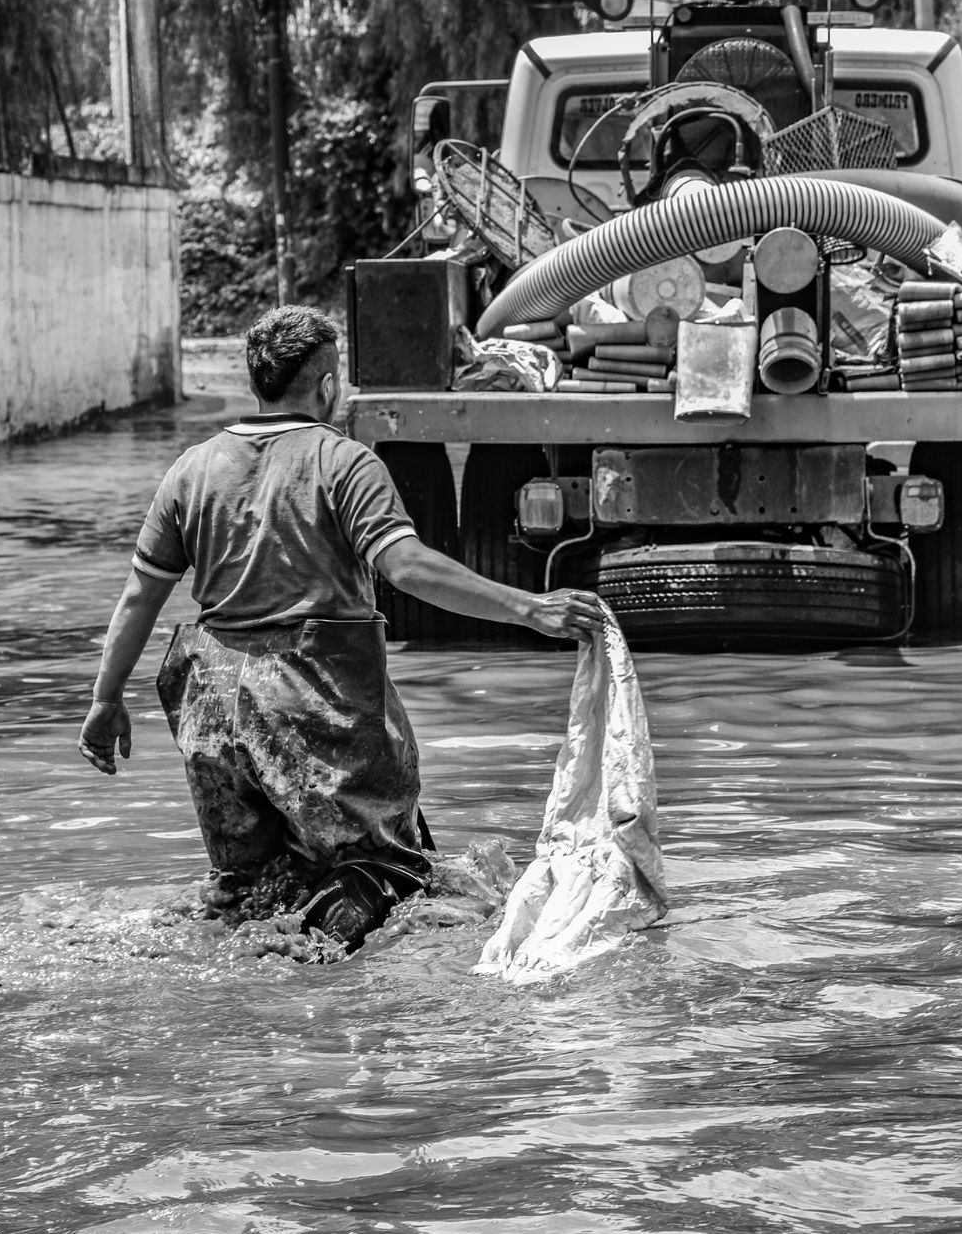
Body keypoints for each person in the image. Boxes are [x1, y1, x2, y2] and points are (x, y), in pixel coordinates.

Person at [78, 306, 608, 953]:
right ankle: (312, 973)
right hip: (311, 695)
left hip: (211, 705)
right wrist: (532, 607)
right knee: (390, 872)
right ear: (328, 384)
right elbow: (406, 565)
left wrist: (105, 701)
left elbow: (139, 597)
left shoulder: (190, 470)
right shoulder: (342, 462)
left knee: (251, 888)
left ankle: (233, 976)